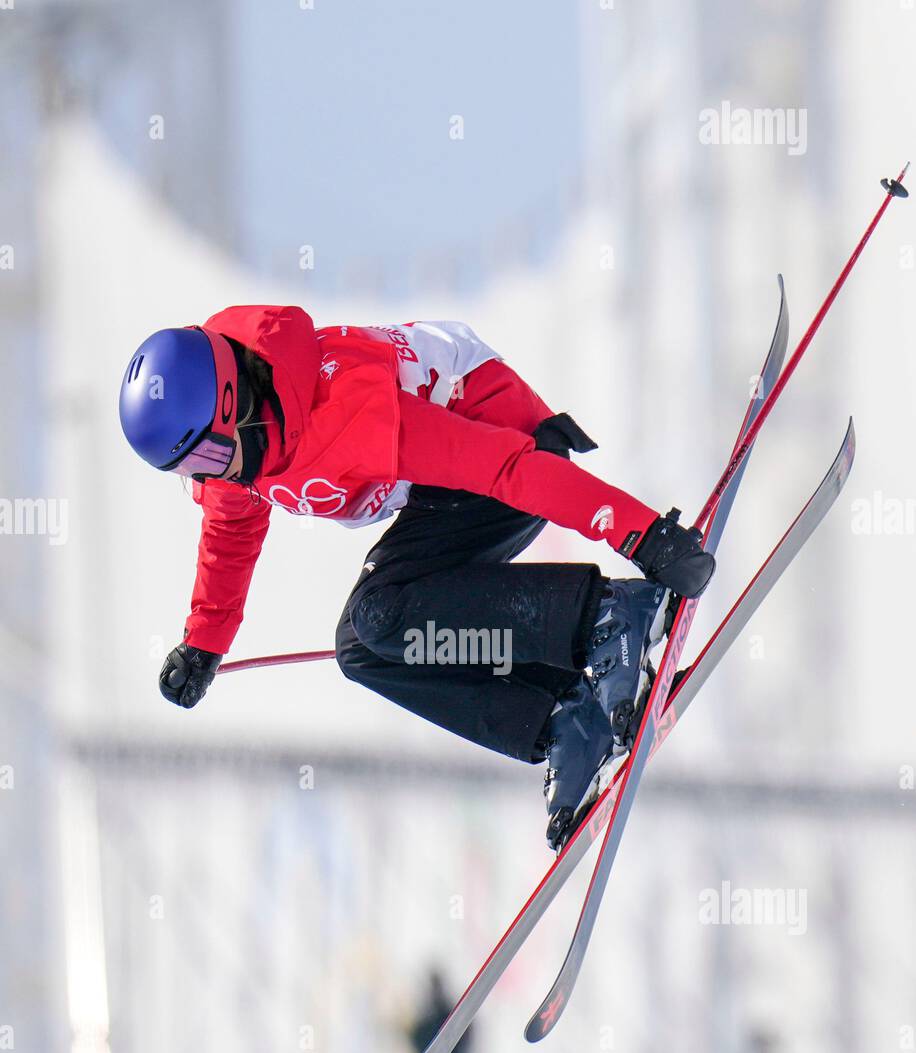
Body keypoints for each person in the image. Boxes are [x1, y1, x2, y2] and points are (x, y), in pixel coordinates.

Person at [119, 308, 713, 850]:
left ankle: (609, 617)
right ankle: (567, 715)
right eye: (187, 470)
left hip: (505, 446)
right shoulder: (234, 464)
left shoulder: (344, 411)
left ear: (234, 405)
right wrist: (204, 643)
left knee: (382, 613)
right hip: (440, 495)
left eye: (205, 460)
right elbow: (230, 534)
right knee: (363, 649)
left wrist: (639, 532)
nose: (208, 479)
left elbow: (503, 467)